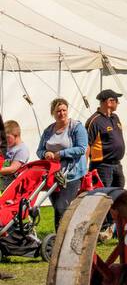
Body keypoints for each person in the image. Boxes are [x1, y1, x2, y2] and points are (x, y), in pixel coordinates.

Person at [36, 98, 89, 230]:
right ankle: (61, 237)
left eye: (64, 110)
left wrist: (62, 153)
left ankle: (61, 239)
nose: (62, 113)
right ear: (53, 113)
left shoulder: (76, 127)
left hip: (71, 174)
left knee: (61, 207)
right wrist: (45, 154)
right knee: (58, 208)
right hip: (53, 174)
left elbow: (82, 148)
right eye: (58, 111)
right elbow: (39, 150)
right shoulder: (49, 130)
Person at [87, 88, 126, 192]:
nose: (118, 103)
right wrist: (84, 170)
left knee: (118, 197)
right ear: (109, 102)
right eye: (116, 100)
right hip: (102, 167)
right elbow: (87, 145)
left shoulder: (115, 117)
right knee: (101, 198)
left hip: (117, 165)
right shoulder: (94, 121)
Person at [0, 120, 30, 189]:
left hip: (11, 188)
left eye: (7, 137)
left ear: (16, 135)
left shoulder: (22, 150)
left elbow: (12, 169)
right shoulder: (7, 147)